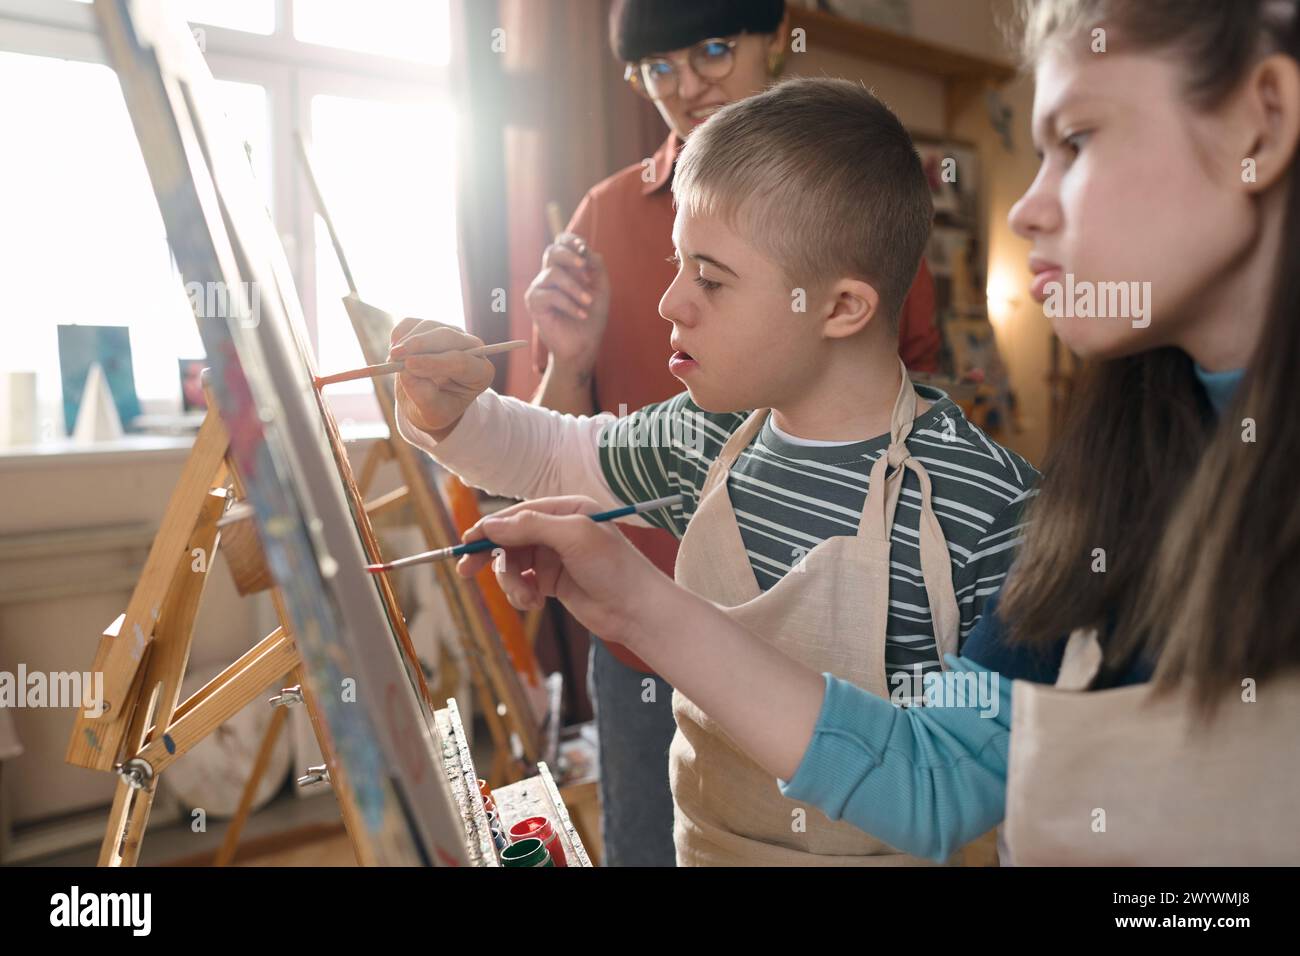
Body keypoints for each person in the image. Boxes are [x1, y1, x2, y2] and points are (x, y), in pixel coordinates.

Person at [452, 0, 1300, 865]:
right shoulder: (1116, 480)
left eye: (1076, 142)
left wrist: (638, 599)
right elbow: (941, 777)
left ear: (1262, 122)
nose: (1025, 211)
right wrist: (626, 590)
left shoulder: (995, 497)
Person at [390, 76, 1036, 865]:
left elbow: (981, 786)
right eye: (676, 264)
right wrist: (447, 411)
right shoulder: (707, 436)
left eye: (711, 278)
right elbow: (551, 452)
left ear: (840, 308)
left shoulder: (989, 503)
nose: (669, 302)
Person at [519, 0, 942, 866]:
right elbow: (550, 452)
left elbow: (917, 398)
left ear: (770, 39)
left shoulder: (850, 203)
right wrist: (568, 357)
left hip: (825, 635)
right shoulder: (601, 216)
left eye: (713, 49)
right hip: (642, 636)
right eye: (659, 69)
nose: (689, 86)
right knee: (651, 847)